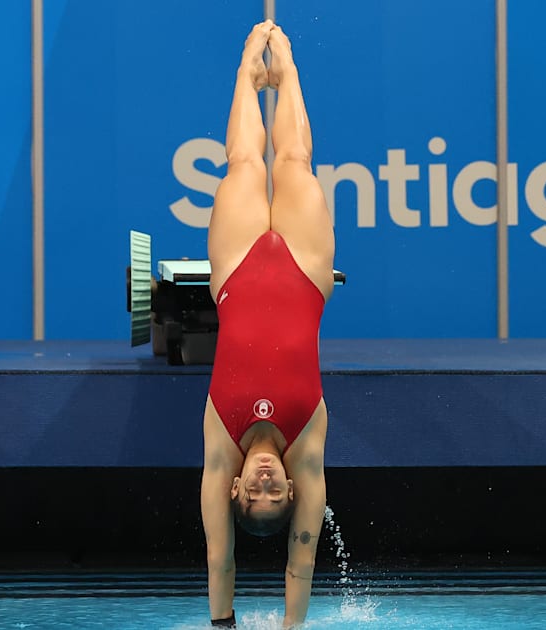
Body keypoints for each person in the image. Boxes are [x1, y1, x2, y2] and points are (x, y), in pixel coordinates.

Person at [200, 20, 335, 628]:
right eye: (274, 495)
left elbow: (220, 560)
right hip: (305, 276)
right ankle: (288, 74)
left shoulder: (219, 447)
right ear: (290, 490)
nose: (262, 485)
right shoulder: (306, 450)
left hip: (236, 273)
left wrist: (223, 624)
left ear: (234, 495)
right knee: (297, 162)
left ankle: (246, 76)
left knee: (243, 165)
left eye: (252, 495)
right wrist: (291, 627)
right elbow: (300, 567)